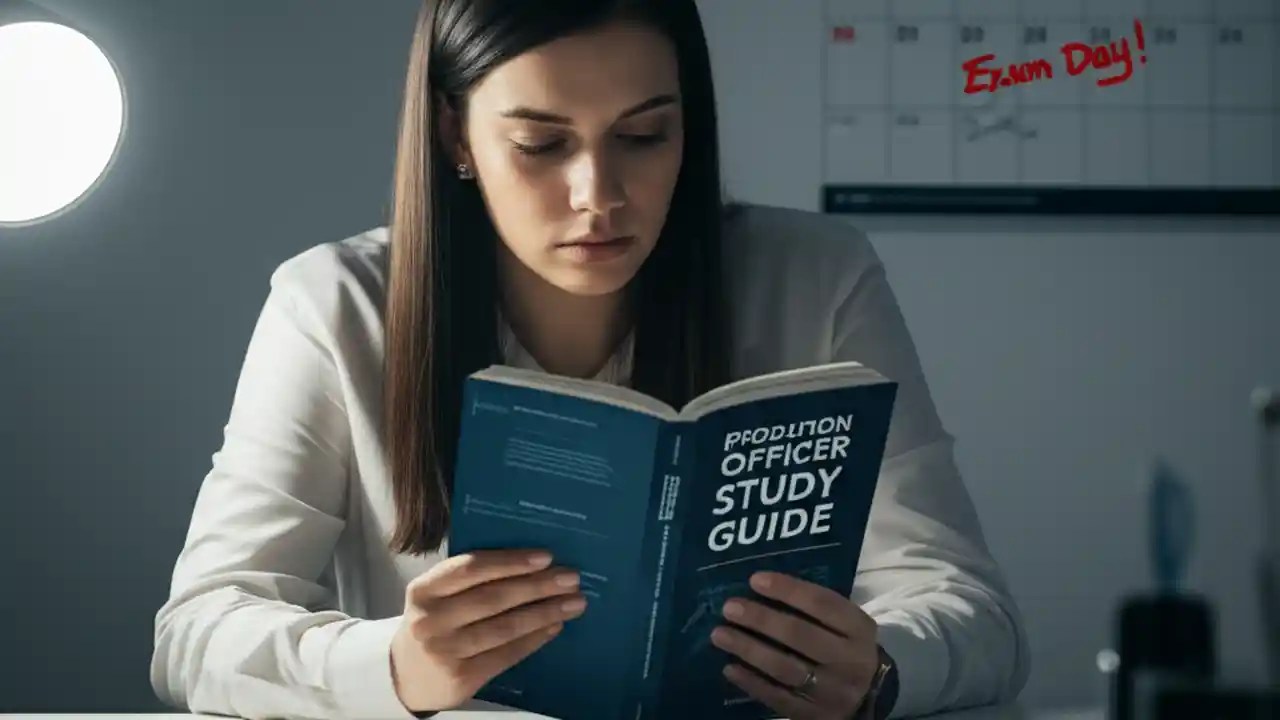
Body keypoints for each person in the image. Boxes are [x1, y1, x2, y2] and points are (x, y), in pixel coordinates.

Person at [149, 1, 1030, 718]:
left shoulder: (818, 278)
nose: (598, 196)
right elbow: (195, 635)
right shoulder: (335, 306)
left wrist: (877, 671)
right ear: (455, 134)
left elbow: (977, 615)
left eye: (644, 136)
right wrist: (396, 664)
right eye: (540, 144)